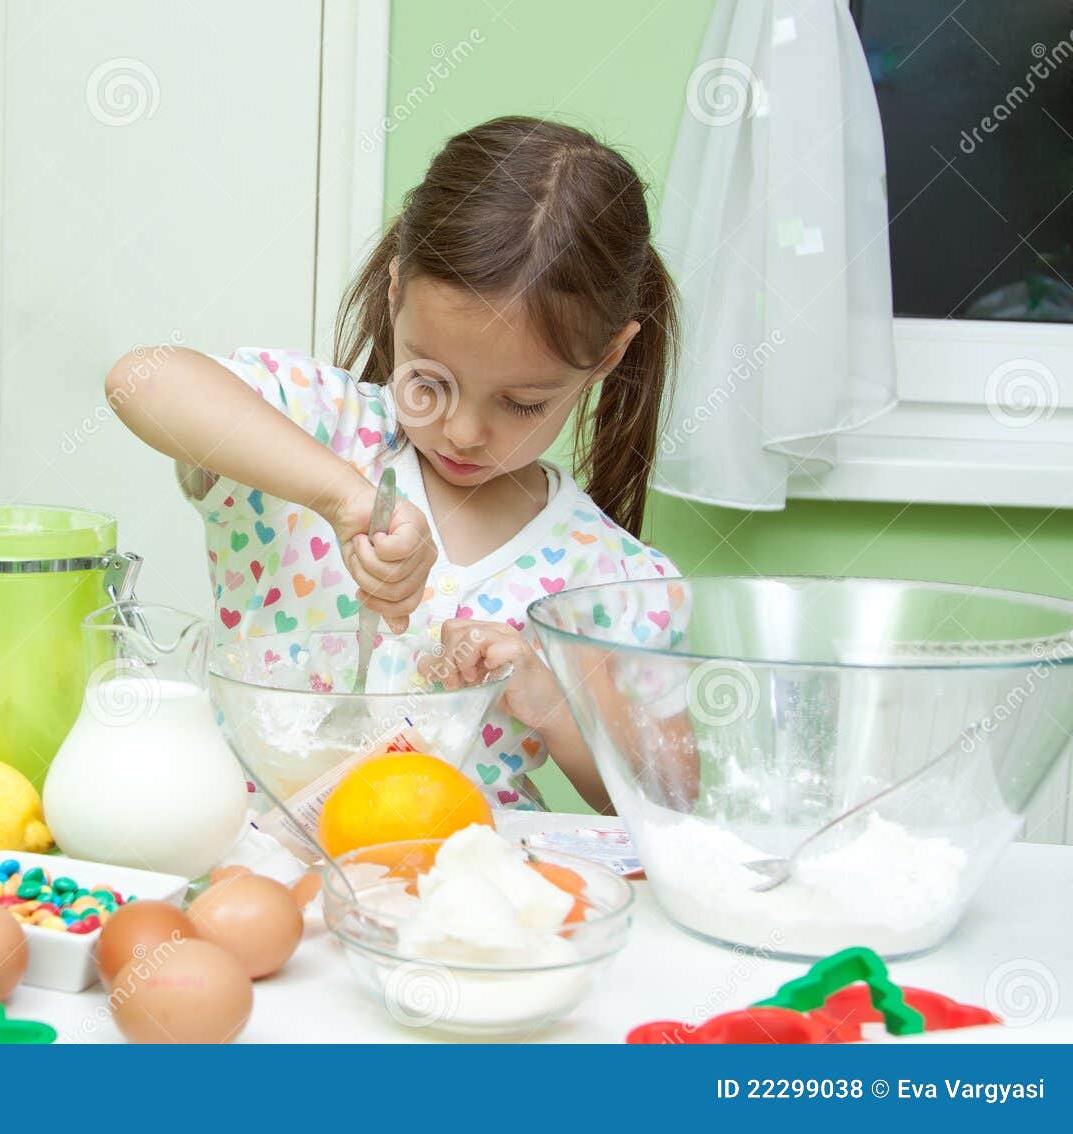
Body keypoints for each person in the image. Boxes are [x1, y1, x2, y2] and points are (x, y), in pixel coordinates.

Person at [107, 117, 685, 813]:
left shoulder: (613, 580)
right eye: (430, 377)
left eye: (522, 403)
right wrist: (342, 496)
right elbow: (140, 378)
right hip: (255, 873)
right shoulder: (317, 432)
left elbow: (673, 801)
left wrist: (559, 704)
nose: (464, 431)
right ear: (393, 292)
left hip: (457, 899)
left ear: (611, 356)